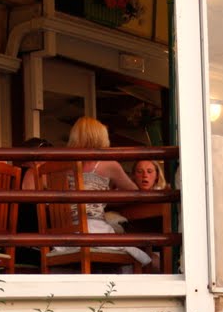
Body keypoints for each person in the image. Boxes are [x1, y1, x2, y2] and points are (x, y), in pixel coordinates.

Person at [58, 116, 154, 271]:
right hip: (93, 231)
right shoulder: (108, 165)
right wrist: (110, 194)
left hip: (63, 235)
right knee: (137, 254)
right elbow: (135, 192)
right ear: (99, 137)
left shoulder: (61, 165)